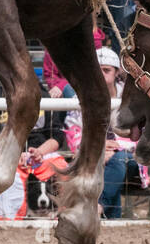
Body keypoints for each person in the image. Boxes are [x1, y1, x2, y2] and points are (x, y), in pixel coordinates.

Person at [61, 47, 144, 219]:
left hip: (130, 160)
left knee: (119, 160)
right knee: (109, 165)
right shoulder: (79, 97)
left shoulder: (130, 99)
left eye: (106, 70)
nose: (101, 74)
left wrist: (113, 149)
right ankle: (111, 220)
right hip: (91, 157)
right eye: (97, 70)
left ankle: (96, 207)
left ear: (116, 73)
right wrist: (99, 148)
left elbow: (138, 136)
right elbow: (73, 132)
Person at [0, 75, 65, 220]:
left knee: (63, 168)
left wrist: (40, 152)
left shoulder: (43, 96)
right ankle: (6, 221)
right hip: (5, 155)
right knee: (0, 172)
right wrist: (12, 153)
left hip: (41, 155)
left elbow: (57, 136)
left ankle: (65, 219)